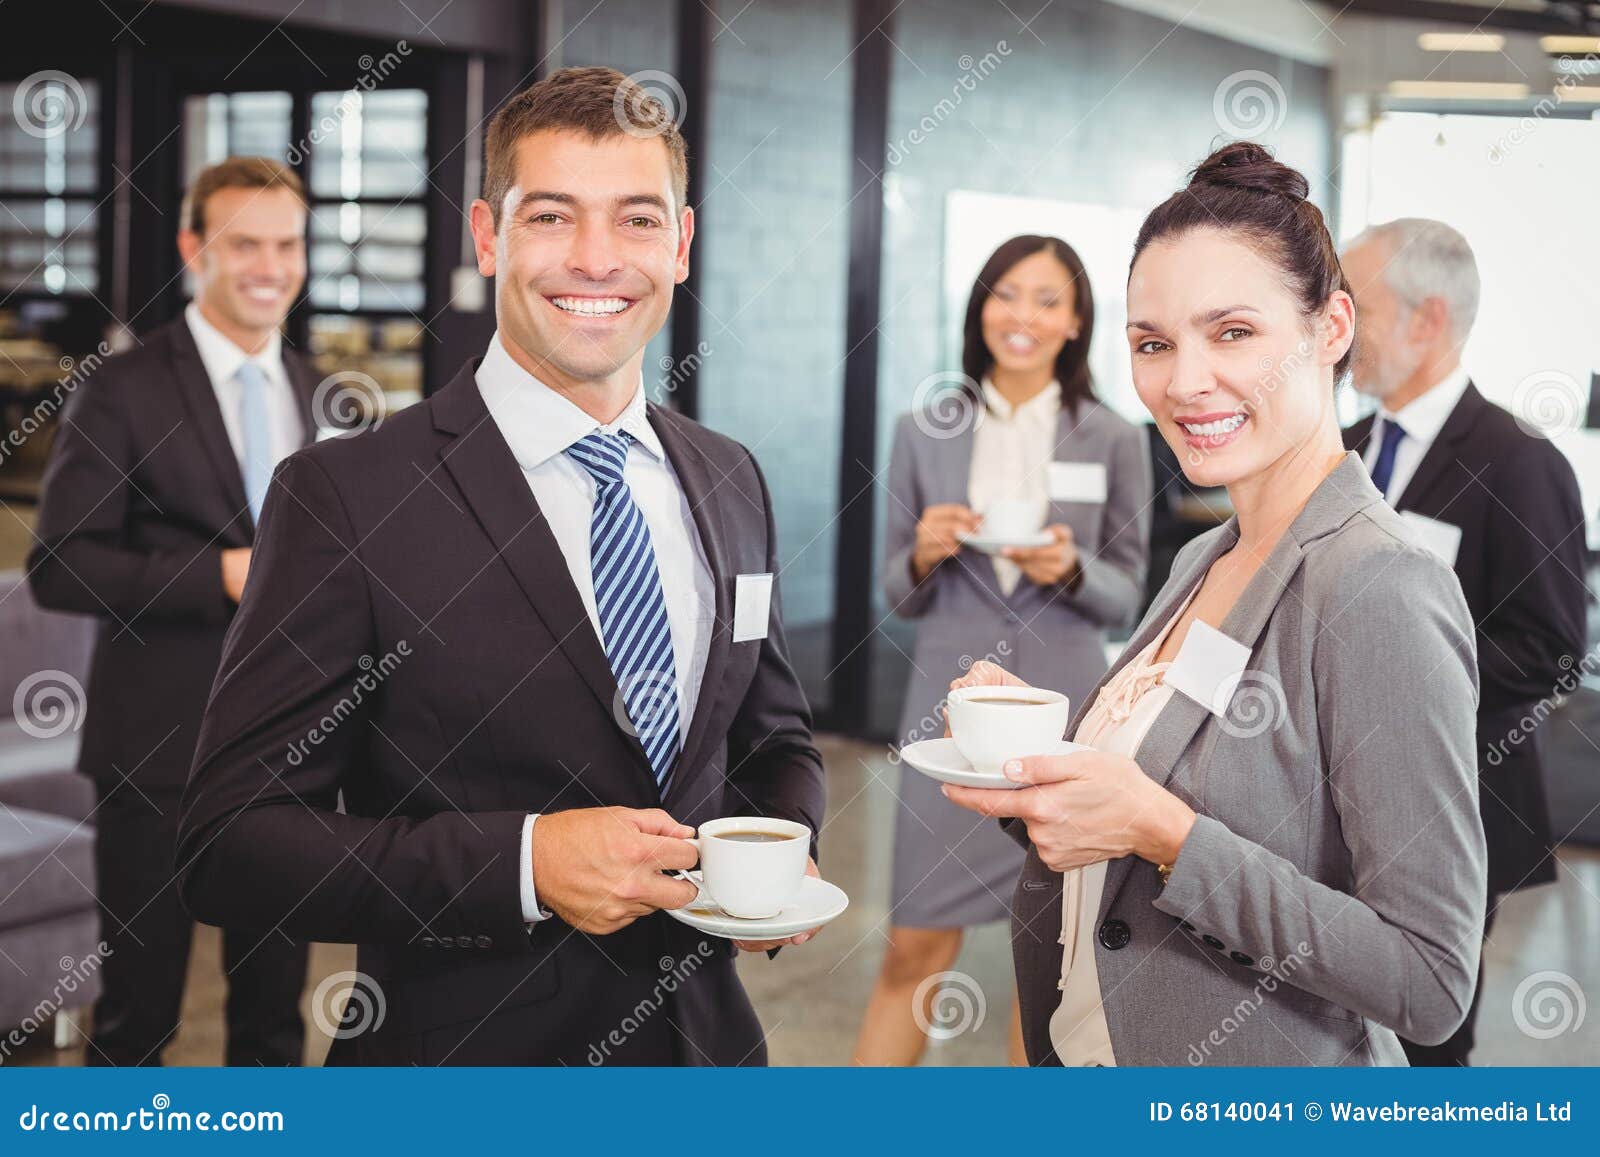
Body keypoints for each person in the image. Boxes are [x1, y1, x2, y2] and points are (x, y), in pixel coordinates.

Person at [174, 67, 826, 1066]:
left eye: (637, 220)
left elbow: (774, 735)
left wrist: (780, 850)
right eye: (553, 216)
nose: (597, 258)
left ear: (683, 243)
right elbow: (231, 845)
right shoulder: (345, 495)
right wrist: (523, 862)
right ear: (487, 236)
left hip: (708, 1055)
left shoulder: (729, 477)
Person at [944, 142, 1487, 1065]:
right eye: (1153, 343)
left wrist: (1163, 831)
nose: (1183, 381)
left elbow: (1428, 977)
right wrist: (1035, 768)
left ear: (1330, 328)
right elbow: (1152, 790)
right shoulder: (1208, 553)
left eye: (1232, 332)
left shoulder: (1377, 584)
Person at [27, 157, 316, 1066]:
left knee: (275, 1015)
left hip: (290, 753)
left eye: (288, 243)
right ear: (196, 248)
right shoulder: (124, 386)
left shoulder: (315, 390)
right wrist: (221, 574)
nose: (271, 265)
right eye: (245, 244)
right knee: (138, 1017)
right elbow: (59, 565)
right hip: (156, 750)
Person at [855, 236, 1149, 1065]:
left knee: (1047, 972)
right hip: (950, 726)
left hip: (1064, 721)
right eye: (1007, 294)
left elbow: (1129, 595)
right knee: (911, 950)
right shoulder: (923, 428)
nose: (1024, 316)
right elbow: (897, 593)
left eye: (1048, 299)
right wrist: (924, 552)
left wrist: (1074, 568)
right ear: (980, 306)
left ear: (1077, 320)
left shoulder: (1113, 437)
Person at [1340, 218, 1588, 1066]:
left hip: (1450, 811)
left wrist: (1400, 666)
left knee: (1421, 1045)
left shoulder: (1520, 460)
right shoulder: (1342, 450)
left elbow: (1550, 647)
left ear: (1427, 319)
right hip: (1328, 804)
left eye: (1356, 303)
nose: (1335, 321)